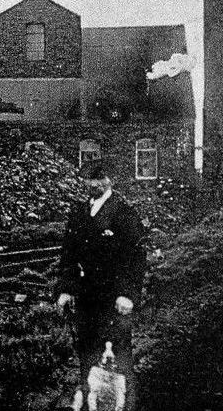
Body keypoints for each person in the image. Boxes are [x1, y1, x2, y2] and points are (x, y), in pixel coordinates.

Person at [55, 159, 147, 396]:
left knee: (118, 355)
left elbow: (135, 258)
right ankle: (89, 398)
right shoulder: (79, 213)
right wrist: (66, 289)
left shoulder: (124, 213)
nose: (94, 184)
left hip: (114, 299)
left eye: (100, 178)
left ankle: (125, 403)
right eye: (90, 178)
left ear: (110, 181)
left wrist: (127, 294)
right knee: (87, 352)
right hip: (86, 297)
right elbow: (68, 255)